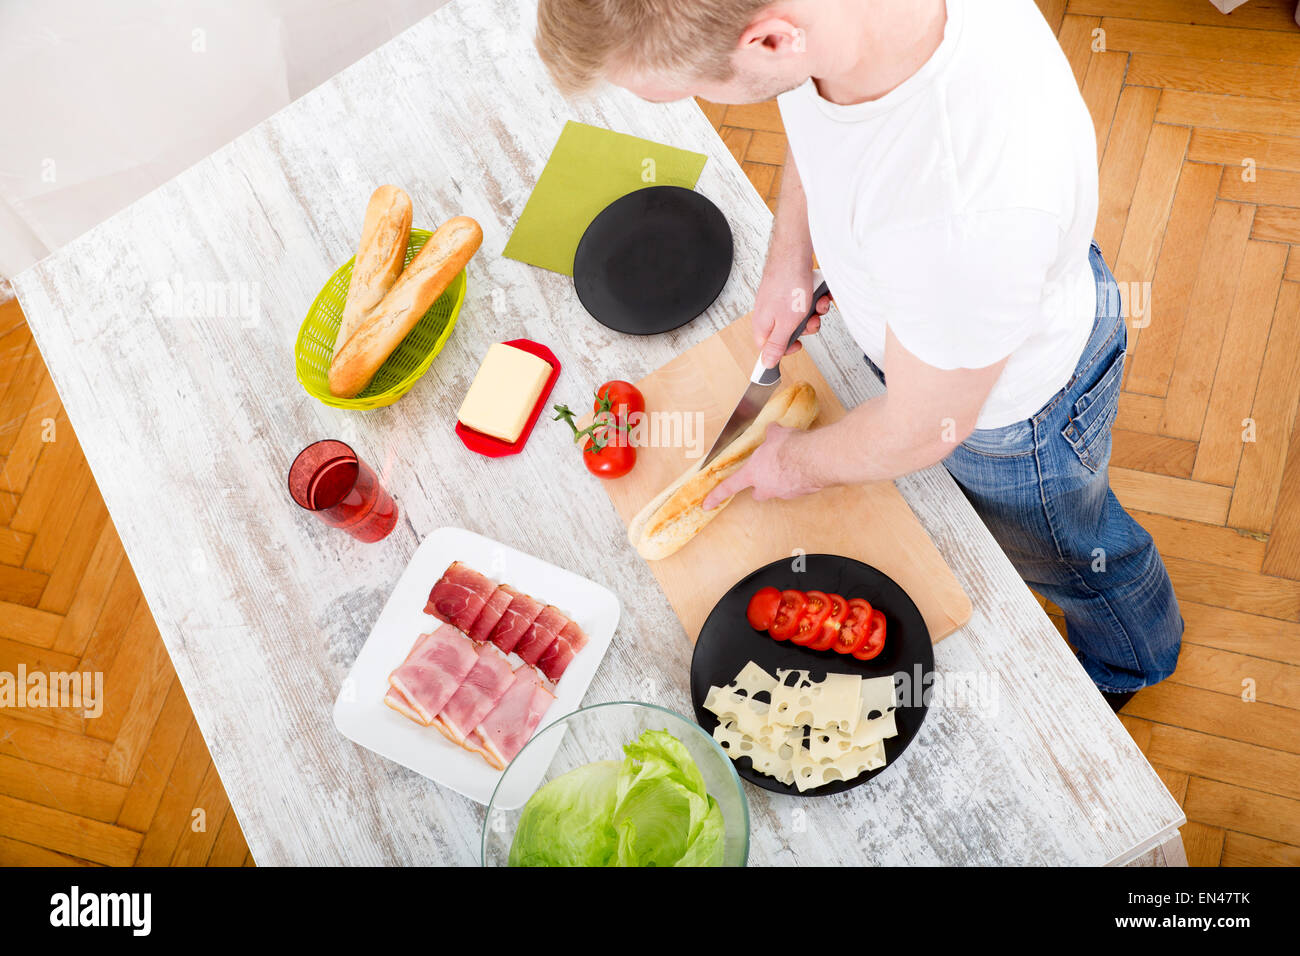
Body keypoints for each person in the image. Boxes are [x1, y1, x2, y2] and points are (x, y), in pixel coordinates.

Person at [535, 0, 1182, 711]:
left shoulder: (959, 212)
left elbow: (924, 427)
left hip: (1017, 422)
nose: (689, 99)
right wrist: (791, 254)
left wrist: (792, 465)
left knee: (1073, 559)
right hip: (951, 329)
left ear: (770, 39)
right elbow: (821, 120)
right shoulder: (836, 28)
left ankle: (1133, 660)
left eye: (691, 88)